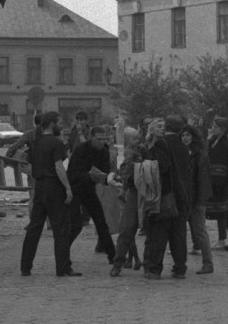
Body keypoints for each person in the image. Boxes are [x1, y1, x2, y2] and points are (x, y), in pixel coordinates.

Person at [19, 111, 80, 277]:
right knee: (60, 229)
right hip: (54, 187)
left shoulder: (36, 142)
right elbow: (59, 167)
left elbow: (28, 164)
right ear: (52, 124)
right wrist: (67, 188)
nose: (62, 126)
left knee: (34, 228)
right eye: (60, 123)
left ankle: (25, 266)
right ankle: (62, 267)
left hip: (39, 187)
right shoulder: (56, 143)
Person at [141, 116, 190, 280]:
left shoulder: (161, 144)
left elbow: (160, 169)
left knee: (159, 233)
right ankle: (180, 268)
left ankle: (154, 269)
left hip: (166, 194)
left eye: (163, 126)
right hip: (181, 195)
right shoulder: (184, 146)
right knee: (178, 234)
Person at [66, 125, 116, 264]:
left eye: (104, 139)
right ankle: (63, 254)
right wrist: (90, 175)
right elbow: (73, 173)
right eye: (99, 139)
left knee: (100, 221)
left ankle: (112, 255)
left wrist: (108, 177)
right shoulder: (81, 149)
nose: (102, 142)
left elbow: (105, 171)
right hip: (74, 188)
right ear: (91, 138)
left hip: (89, 189)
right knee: (75, 225)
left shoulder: (104, 151)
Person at [180, 124, 215, 275]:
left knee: (200, 231)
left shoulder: (200, 154)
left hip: (195, 199)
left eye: (187, 135)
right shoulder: (181, 152)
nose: (185, 138)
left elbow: (204, 179)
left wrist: (202, 201)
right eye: (183, 135)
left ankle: (208, 263)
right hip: (184, 198)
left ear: (193, 137)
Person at [109, 127, 143, 276]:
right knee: (126, 228)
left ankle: (123, 261)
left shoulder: (140, 151)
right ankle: (120, 261)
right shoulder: (133, 152)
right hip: (135, 192)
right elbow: (127, 172)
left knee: (127, 228)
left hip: (139, 192)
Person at [208, 117, 228, 250]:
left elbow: (226, 163)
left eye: (215, 126)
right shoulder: (213, 141)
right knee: (221, 212)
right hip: (214, 182)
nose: (212, 128)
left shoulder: (224, 145)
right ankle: (225, 239)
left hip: (222, 183)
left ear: (222, 129)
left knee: (224, 211)